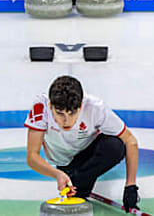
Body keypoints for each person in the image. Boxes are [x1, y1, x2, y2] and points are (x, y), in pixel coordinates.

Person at [24, 75, 140, 213]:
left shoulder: (96, 108)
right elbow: (32, 157)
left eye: (72, 113)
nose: (66, 121)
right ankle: (78, 181)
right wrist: (57, 174)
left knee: (116, 146)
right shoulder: (41, 108)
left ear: (81, 106)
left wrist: (130, 186)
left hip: (88, 153)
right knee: (76, 185)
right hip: (64, 163)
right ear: (50, 106)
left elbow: (130, 141)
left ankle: (80, 181)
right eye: (60, 113)